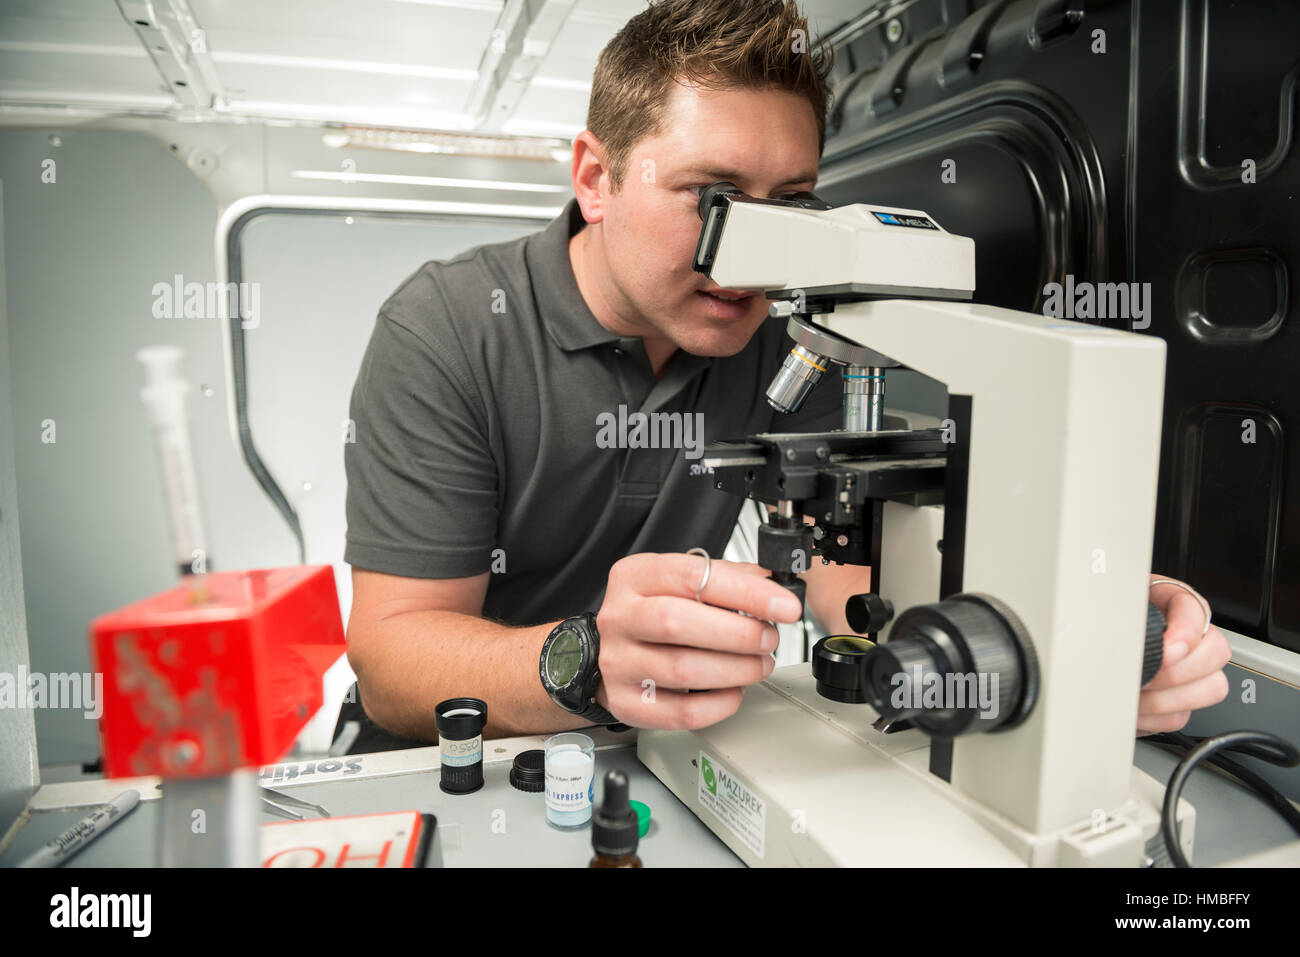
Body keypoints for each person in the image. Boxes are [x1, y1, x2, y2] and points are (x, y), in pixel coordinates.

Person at [336, 0, 1230, 752]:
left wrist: (1062, 627)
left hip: (661, 749)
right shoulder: (447, 328)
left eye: (794, 206)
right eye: (713, 198)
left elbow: (851, 587)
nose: (757, 254)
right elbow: (391, 659)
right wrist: (584, 658)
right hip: (464, 759)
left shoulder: (790, 338)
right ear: (597, 177)